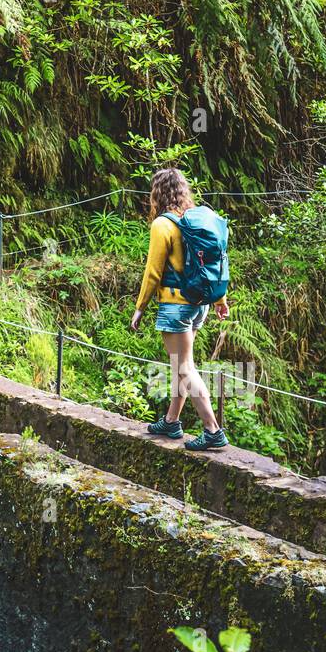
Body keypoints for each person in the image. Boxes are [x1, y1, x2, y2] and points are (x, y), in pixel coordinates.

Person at [129, 167, 230, 451]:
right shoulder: (195, 218)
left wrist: (140, 308)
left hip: (175, 305)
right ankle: (172, 421)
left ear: (157, 193)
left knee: (185, 367)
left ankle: (212, 430)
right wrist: (221, 301)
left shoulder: (163, 224)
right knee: (181, 366)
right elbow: (214, 262)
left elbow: (153, 271)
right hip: (200, 305)